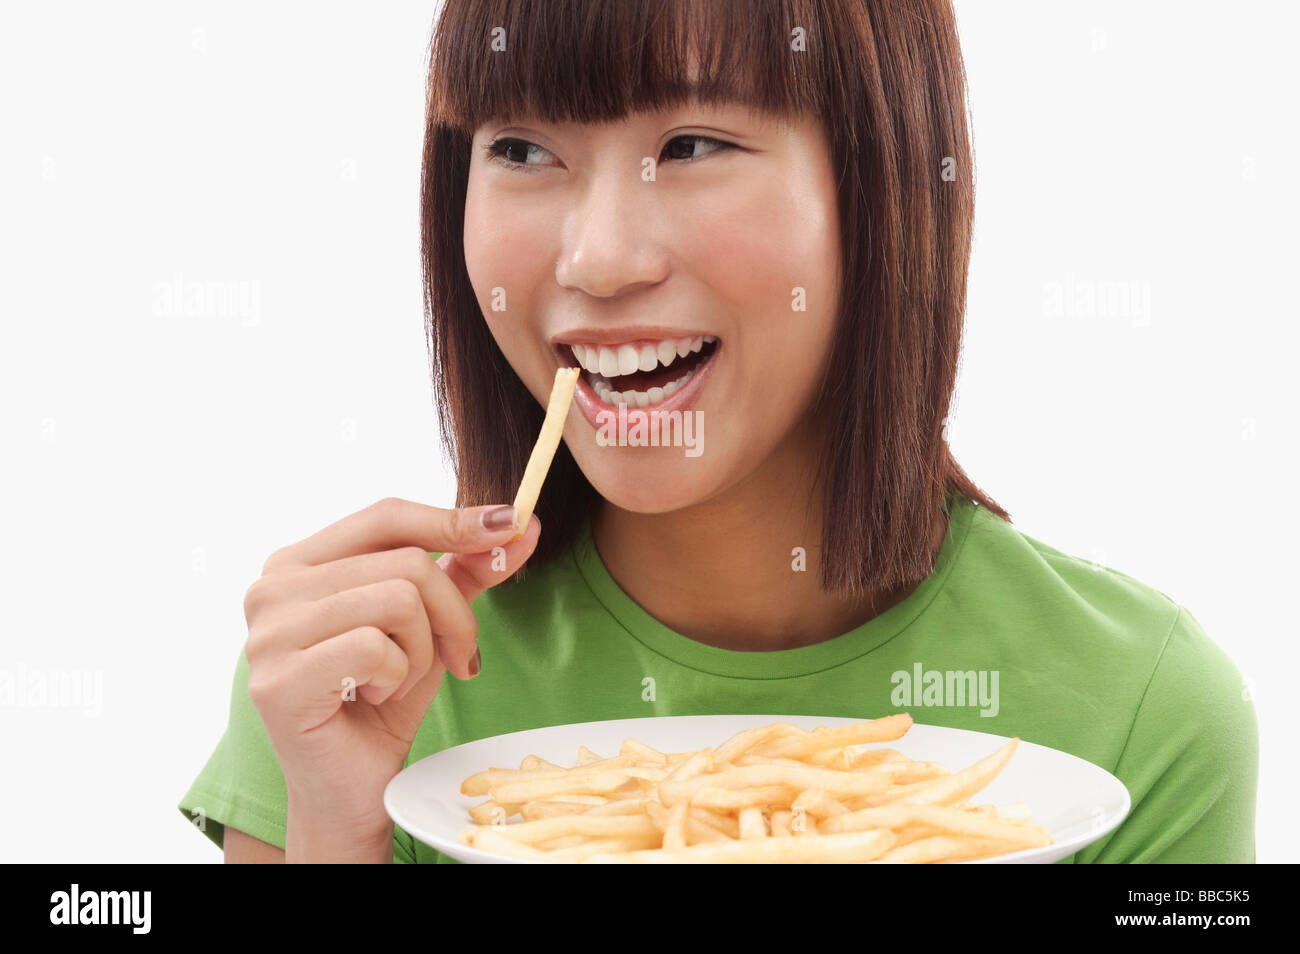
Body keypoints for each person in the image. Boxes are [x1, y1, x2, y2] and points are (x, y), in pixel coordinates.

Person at [179, 0, 1257, 863]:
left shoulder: (1138, 717)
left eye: (691, 143)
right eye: (520, 146)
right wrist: (338, 838)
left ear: (879, 187)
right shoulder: (355, 673)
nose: (597, 259)